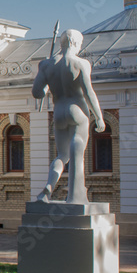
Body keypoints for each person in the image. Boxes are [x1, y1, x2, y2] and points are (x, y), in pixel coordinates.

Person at [31, 29, 105, 204]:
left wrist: (47, 87)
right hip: (77, 111)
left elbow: (37, 93)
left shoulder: (46, 65)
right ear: (75, 43)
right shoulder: (81, 63)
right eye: (80, 44)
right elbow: (89, 93)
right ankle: (75, 196)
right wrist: (99, 117)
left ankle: (47, 190)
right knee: (77, 152)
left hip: (58, 113)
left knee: (62, 156)